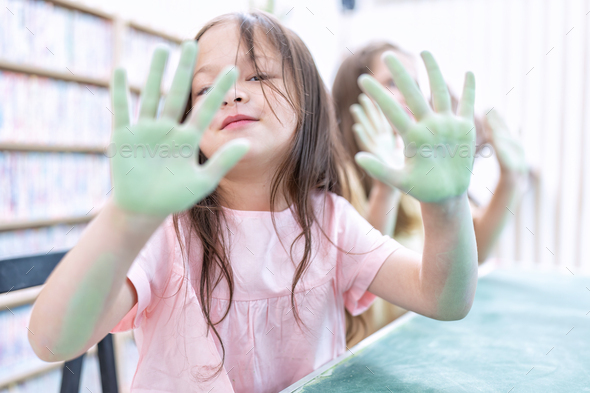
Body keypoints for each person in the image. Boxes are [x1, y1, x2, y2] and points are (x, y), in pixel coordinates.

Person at [28, 12, 479, 393]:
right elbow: (51, 342)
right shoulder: (166, 228)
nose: (231, 92)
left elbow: (443, 298)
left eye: (259, 75)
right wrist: (125, 217)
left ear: (309, 105)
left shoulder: (331, 222)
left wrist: (446, 206)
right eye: (205, 88)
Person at [332, 42, 528, 344]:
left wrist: (511, 180)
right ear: (354, 100)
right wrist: (387, 190)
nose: (410, 94)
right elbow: (354, 278)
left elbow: (478, 248)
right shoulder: (336, 179)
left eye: (414, 83)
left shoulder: (417, 167)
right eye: (393, 83)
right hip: (370, 350)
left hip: (422, 337)